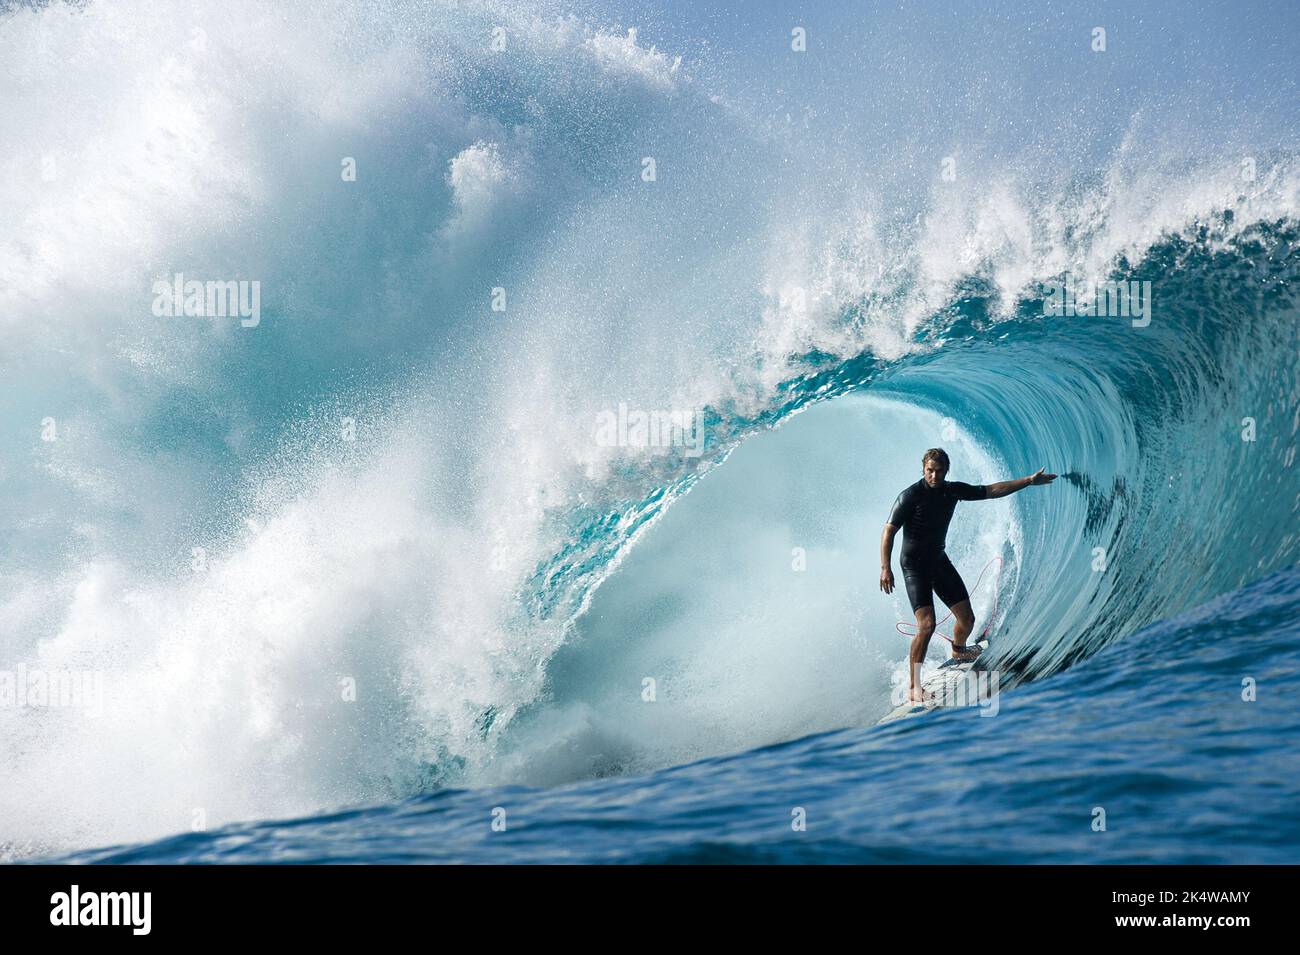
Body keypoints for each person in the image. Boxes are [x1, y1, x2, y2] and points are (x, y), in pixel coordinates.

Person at [880, 448, 1056, 703]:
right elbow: (889, 531)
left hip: (939, 561)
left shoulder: (952, 490)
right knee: (927, 625)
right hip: (914, 567)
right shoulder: (910, 496)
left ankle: (959, 650)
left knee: (967, 619)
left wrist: (1028, 481)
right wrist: (886, 568)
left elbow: (990, 491)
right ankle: (914, 687)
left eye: (939, 471)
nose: (934, 475)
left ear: (946, 470)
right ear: (923, 469)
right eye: (929, 470)